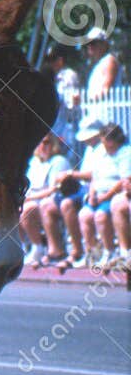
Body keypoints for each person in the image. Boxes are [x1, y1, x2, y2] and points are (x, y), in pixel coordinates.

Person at [73, 120, 131, 268]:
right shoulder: (101, 154)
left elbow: (123, 180)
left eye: (106, 142)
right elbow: (94, 177)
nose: (104, 145)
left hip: (111, 195)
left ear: (114, 141)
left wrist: (105, 196)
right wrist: (92, 194)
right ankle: (94, 254)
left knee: (100, 216)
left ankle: (110, 251)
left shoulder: (125, 154)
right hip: (98, 194)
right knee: (84, 215)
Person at [19, 133, 73, 266]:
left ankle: (38, 247)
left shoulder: (59, 161)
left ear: (53, 144)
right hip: (32, 198)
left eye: (46, 142)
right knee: (14, 208)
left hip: (51, 199)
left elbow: (53, 189)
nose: (42, 146)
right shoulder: (34, 162)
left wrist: (28, 198)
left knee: (28, 209)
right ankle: (23, 247)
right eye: (39, 142)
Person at [83, 27, 120, 102]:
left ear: (104, 44)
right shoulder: (97, 66)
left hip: (108, 112)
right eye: (88, 43)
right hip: (96, 111)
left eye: (93, 43)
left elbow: (106, 90)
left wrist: (84, 99)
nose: (89, 46)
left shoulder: (109, 61)